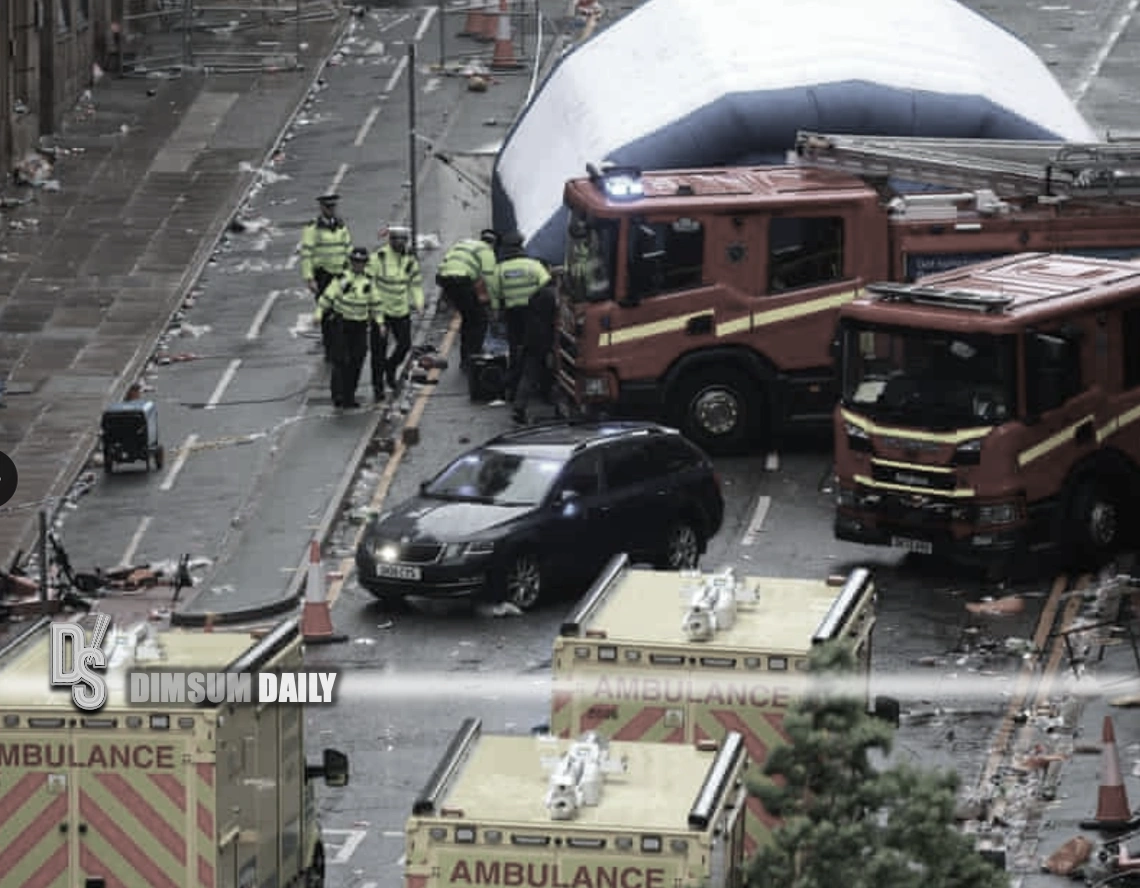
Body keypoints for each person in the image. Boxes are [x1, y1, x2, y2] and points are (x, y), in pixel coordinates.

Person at [313, 247, 383, 409]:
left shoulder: (368, 282)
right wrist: (318, 314)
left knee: (357, 360)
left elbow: (376, 304)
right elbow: (327, 297)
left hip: (359, 325)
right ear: (351, 262)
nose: (358, 265)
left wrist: (380, 322)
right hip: (342, 323)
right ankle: (338, 395)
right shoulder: (342, 279)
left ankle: (349, 396)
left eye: (361, 262)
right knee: (341, 360)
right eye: (356, 262)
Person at [492, 232, 551, 402]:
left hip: (513, 315)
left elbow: (495, 295)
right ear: (521, 247)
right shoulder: (533, 265)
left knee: (515, 349)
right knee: (536, 350)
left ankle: (512, 387)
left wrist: (496, 315)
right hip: (533, 314)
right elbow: (545, 284)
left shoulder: (500, 269)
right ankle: (541, 389)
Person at [369, 225, 424, 395]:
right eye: (396, 240)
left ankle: (390, 367)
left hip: (401, 310)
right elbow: (370, 283)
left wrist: (419, 303)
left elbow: (415, 284)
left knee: (405, 345)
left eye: (403, 240)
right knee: (379, 351)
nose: (399, 244)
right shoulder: (379, 257)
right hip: (382, 312)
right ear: (390, 240)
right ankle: (378, 387)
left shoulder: (410, 259)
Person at [437, 229, 499, 371]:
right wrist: (494, 306)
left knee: (469, 318)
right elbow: (491, 280)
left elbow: (446, 264)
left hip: (445, 280)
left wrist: (444, 297)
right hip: (461, 281)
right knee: (480, 321)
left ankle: (466, 358)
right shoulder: (487, 251)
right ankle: (473, 358)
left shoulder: (464, 243)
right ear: (494, 244)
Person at [300, 194, 353, 361]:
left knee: (342, 312)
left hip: (340, 275)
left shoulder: (340, 226)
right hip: (323, 275)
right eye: (328, 207)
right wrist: (309, 278)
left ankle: (340, 347)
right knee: (327, 313)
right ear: (322, 208)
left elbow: (348, 249)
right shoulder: (313, 228)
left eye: (333, 207)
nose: (331, 210)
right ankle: (331, 350)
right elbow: (306, 254)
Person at [511, 276, 558, 425]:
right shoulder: (553, 296)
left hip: (531, 337)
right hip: (545, 339)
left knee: (530, 373)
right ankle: (549, 400)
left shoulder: (537, 294)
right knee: (543, 370)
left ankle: (519, 406)